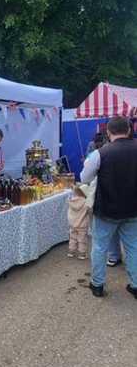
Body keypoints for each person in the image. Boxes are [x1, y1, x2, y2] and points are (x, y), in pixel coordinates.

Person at [80, 116, 137, 298]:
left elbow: (85, 179)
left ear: (108, 132)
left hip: (107, 209)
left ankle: (97, 285)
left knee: (99, 247)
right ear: (128, 130)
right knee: (133, 247)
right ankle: (136, 285)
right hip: (133, 209)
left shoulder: (100, 153)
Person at [67, 185, 91, 259]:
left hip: (72, 223)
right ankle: (82, 253)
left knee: (72, 237)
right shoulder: (86, 202)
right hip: (82, 224)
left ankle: (71, 251)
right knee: (82, 239)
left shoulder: (71, 201)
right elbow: (90, 211)